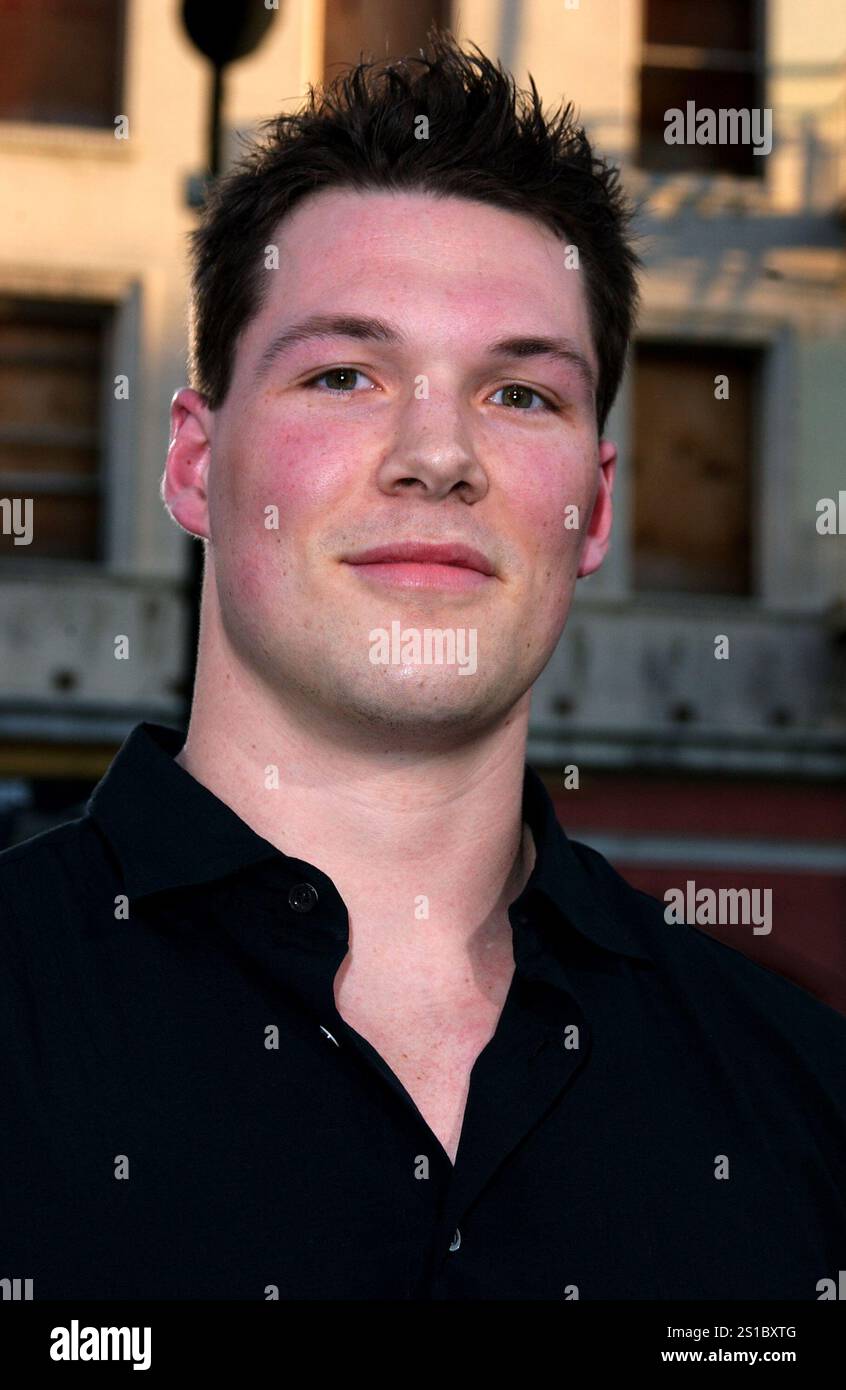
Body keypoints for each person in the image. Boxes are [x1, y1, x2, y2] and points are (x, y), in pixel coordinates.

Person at [1, 31, 844, 1302]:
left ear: (596, 506)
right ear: (192, 463)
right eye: (345, 374)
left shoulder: (805, 1096)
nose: (437, 454)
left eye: (521, 396)